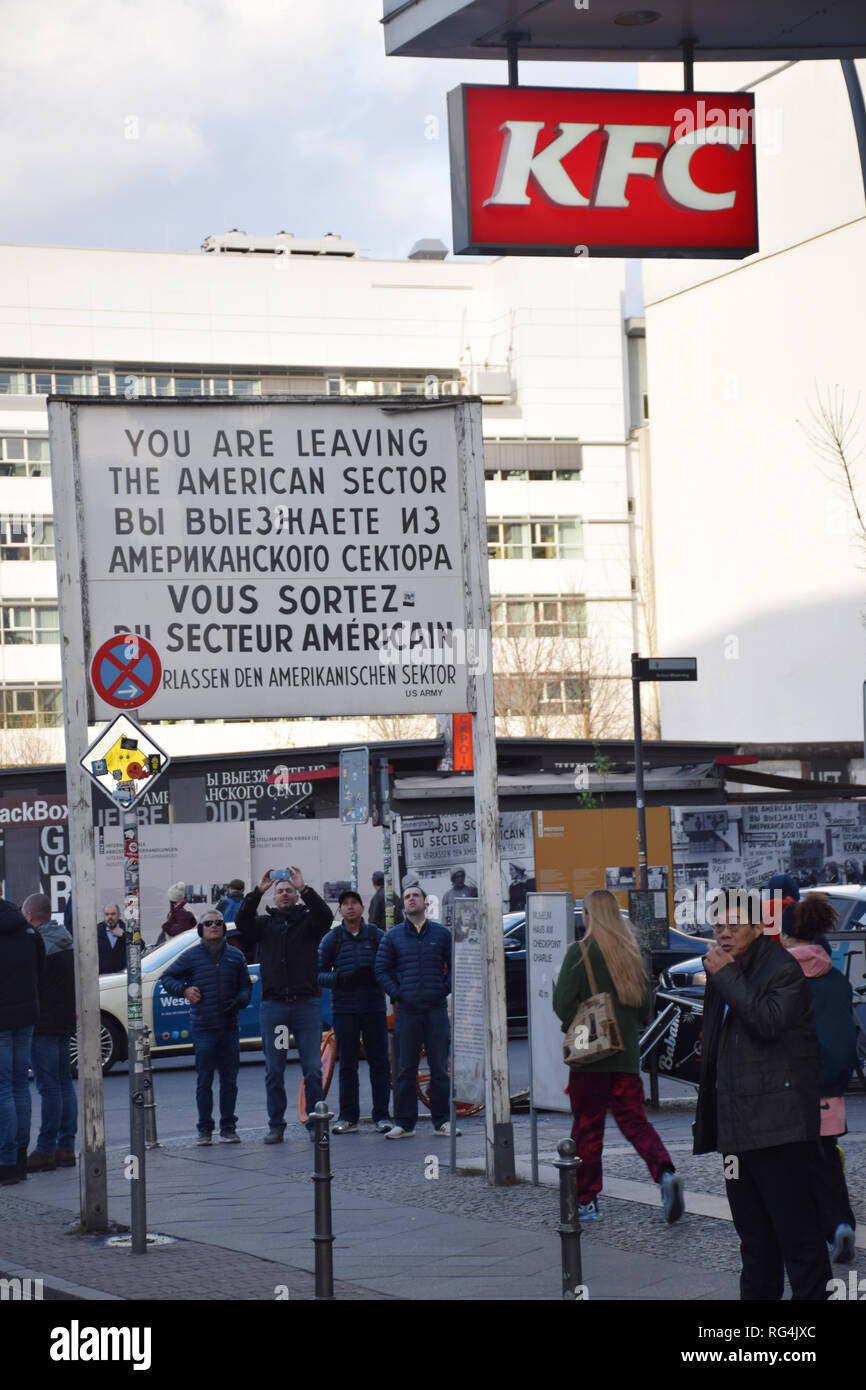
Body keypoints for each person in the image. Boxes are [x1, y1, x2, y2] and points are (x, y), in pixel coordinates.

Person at [694, 889, 832, 1301]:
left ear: (759, 927)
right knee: (754, 1243)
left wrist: (726, 978)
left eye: (735, 925)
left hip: (779, 1130)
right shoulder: (727, 970)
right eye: (718, 924)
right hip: (737, 1132)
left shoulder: (780, 969)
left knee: (798, 1238)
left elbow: (767, 1022)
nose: (724, 933)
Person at [552, 889, 683, 1223]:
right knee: (635, 1123)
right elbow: (644, 1010)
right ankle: (665, 1173)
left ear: (589, 917)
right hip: (625, 1058)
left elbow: (562, 1004)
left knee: (588, 1129)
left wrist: (579, 1022)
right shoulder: (631, 954)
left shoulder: (580, 953)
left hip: (591, 1061)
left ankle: (587, 1200)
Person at [781, 893, 857, 1264]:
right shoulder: (835, 977)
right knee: (825, 1158)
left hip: (793, 1088)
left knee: (791, 1164)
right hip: (831, 1086)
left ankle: (814, 1230)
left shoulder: (782, 977)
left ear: (785, 936)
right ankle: (841, 1224)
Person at [235, 866, 333, 1143]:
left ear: (295, 895)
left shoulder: (310, 922)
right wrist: (257, 891)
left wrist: (305, 887)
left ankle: (316, 1121)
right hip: (276, 1007)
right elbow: (242, 922)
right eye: (280, 891)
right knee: (274, 1069)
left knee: (313, 1069)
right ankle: (276, 1124)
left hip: (306, 1006)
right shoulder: (264, 925)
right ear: (274, 897)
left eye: (289, 890)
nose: (285, 894)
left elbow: (326, 916)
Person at [160, 910, 252, 1143]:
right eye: (208, 923)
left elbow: (246, 987)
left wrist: (241, 1000)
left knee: (230, 1080)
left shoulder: (235, 956)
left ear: (223, 927)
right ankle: (204, 1129)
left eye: (218, 923)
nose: (214, 926)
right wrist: (185, 990)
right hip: (203, 1027)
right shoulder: (191, 956)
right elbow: (167, 977)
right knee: (205, 1080)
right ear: (201, 928)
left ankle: (229, 1127)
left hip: (229, 1026)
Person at [374, 882, 457, 1138]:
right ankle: (405, 1124)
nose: (411, 900)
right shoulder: (392, 936)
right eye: (407, 896)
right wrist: (398, 994)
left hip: (435, 1010)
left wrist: (443, 988)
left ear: (425, 902)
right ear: (404, 904)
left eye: (416, 896)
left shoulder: (442, 934)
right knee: (405, 1070)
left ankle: (442, 1121)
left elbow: (455, 964)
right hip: (407, 1011)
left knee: (440, 1069)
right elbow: (381, 969)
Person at [318, 890, 392, 1133]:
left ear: (362, 908)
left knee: (379, 1063)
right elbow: (317, 974)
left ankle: (382, 1115)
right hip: (344, 1009)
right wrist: (340, 978)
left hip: (373, 1007)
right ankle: (348, 1117)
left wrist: (377, 978)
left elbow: (391, 967)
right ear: (340, 911)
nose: (350, 908)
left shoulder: (377, 936)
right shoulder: (332, 938)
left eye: (354, 903)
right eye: (345, 904)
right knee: (347, 1064)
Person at [21, 894, 77, 1172]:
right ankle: (66, 1146)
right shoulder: (64, 937)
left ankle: (45, 1149)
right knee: (65, 1083)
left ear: (30, 915)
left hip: (43, 1022)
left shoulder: (36, 943)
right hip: (65, 1019)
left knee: (48, 1087)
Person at [0, 896, 44, 1185]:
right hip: (27, 1014)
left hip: (2, 1018)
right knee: (19, 1086)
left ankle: (4, 1162)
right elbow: (40, 967)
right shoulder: (29, 932)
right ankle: (19, 1157)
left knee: (3, 1088)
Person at [97, 903, 126, 974]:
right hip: (103, 976)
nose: (110, 917)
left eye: (113, 914)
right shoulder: (97, 931)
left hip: (122, 976)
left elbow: (140, 946)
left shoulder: (127, 929)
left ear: (119, 915)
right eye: (107, 914)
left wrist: (124, 935)